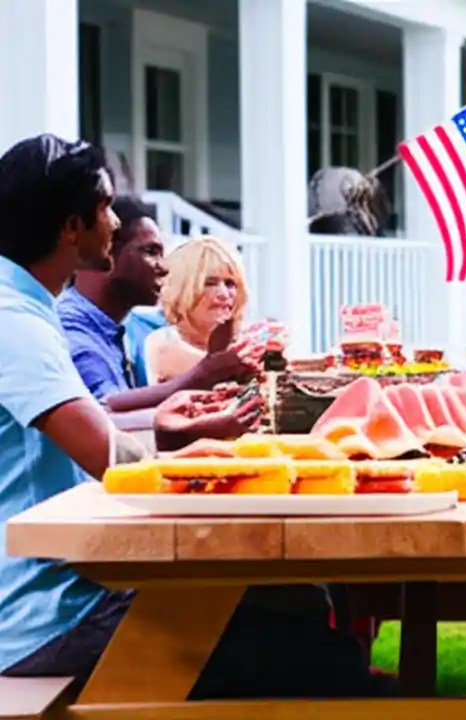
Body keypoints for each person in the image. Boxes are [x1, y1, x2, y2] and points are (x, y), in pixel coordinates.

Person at [0, 134, 388, 697]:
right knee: (324, 660)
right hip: (48, 618)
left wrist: (168, 430)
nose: (115, 221)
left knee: (299, 601)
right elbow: (109, 460)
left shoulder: (29, 308)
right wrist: (187, 446)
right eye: (106, 208)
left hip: (75, 588)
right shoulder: (18, 325)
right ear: (71, 227)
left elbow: (96, 439)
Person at [57, 196, 256, 412]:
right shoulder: (72, 329)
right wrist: (201, 377)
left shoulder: (110, 330)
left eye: (231, 283)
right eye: (150, 252)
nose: (165, 268)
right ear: (104, 252)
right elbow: (105, 415)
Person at [144, 235, 256, 385]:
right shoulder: (162, 344)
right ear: (181, 289)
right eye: (209, 283)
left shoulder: (248, 341)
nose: (223, 294)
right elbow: (219, 372)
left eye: (230, 284)